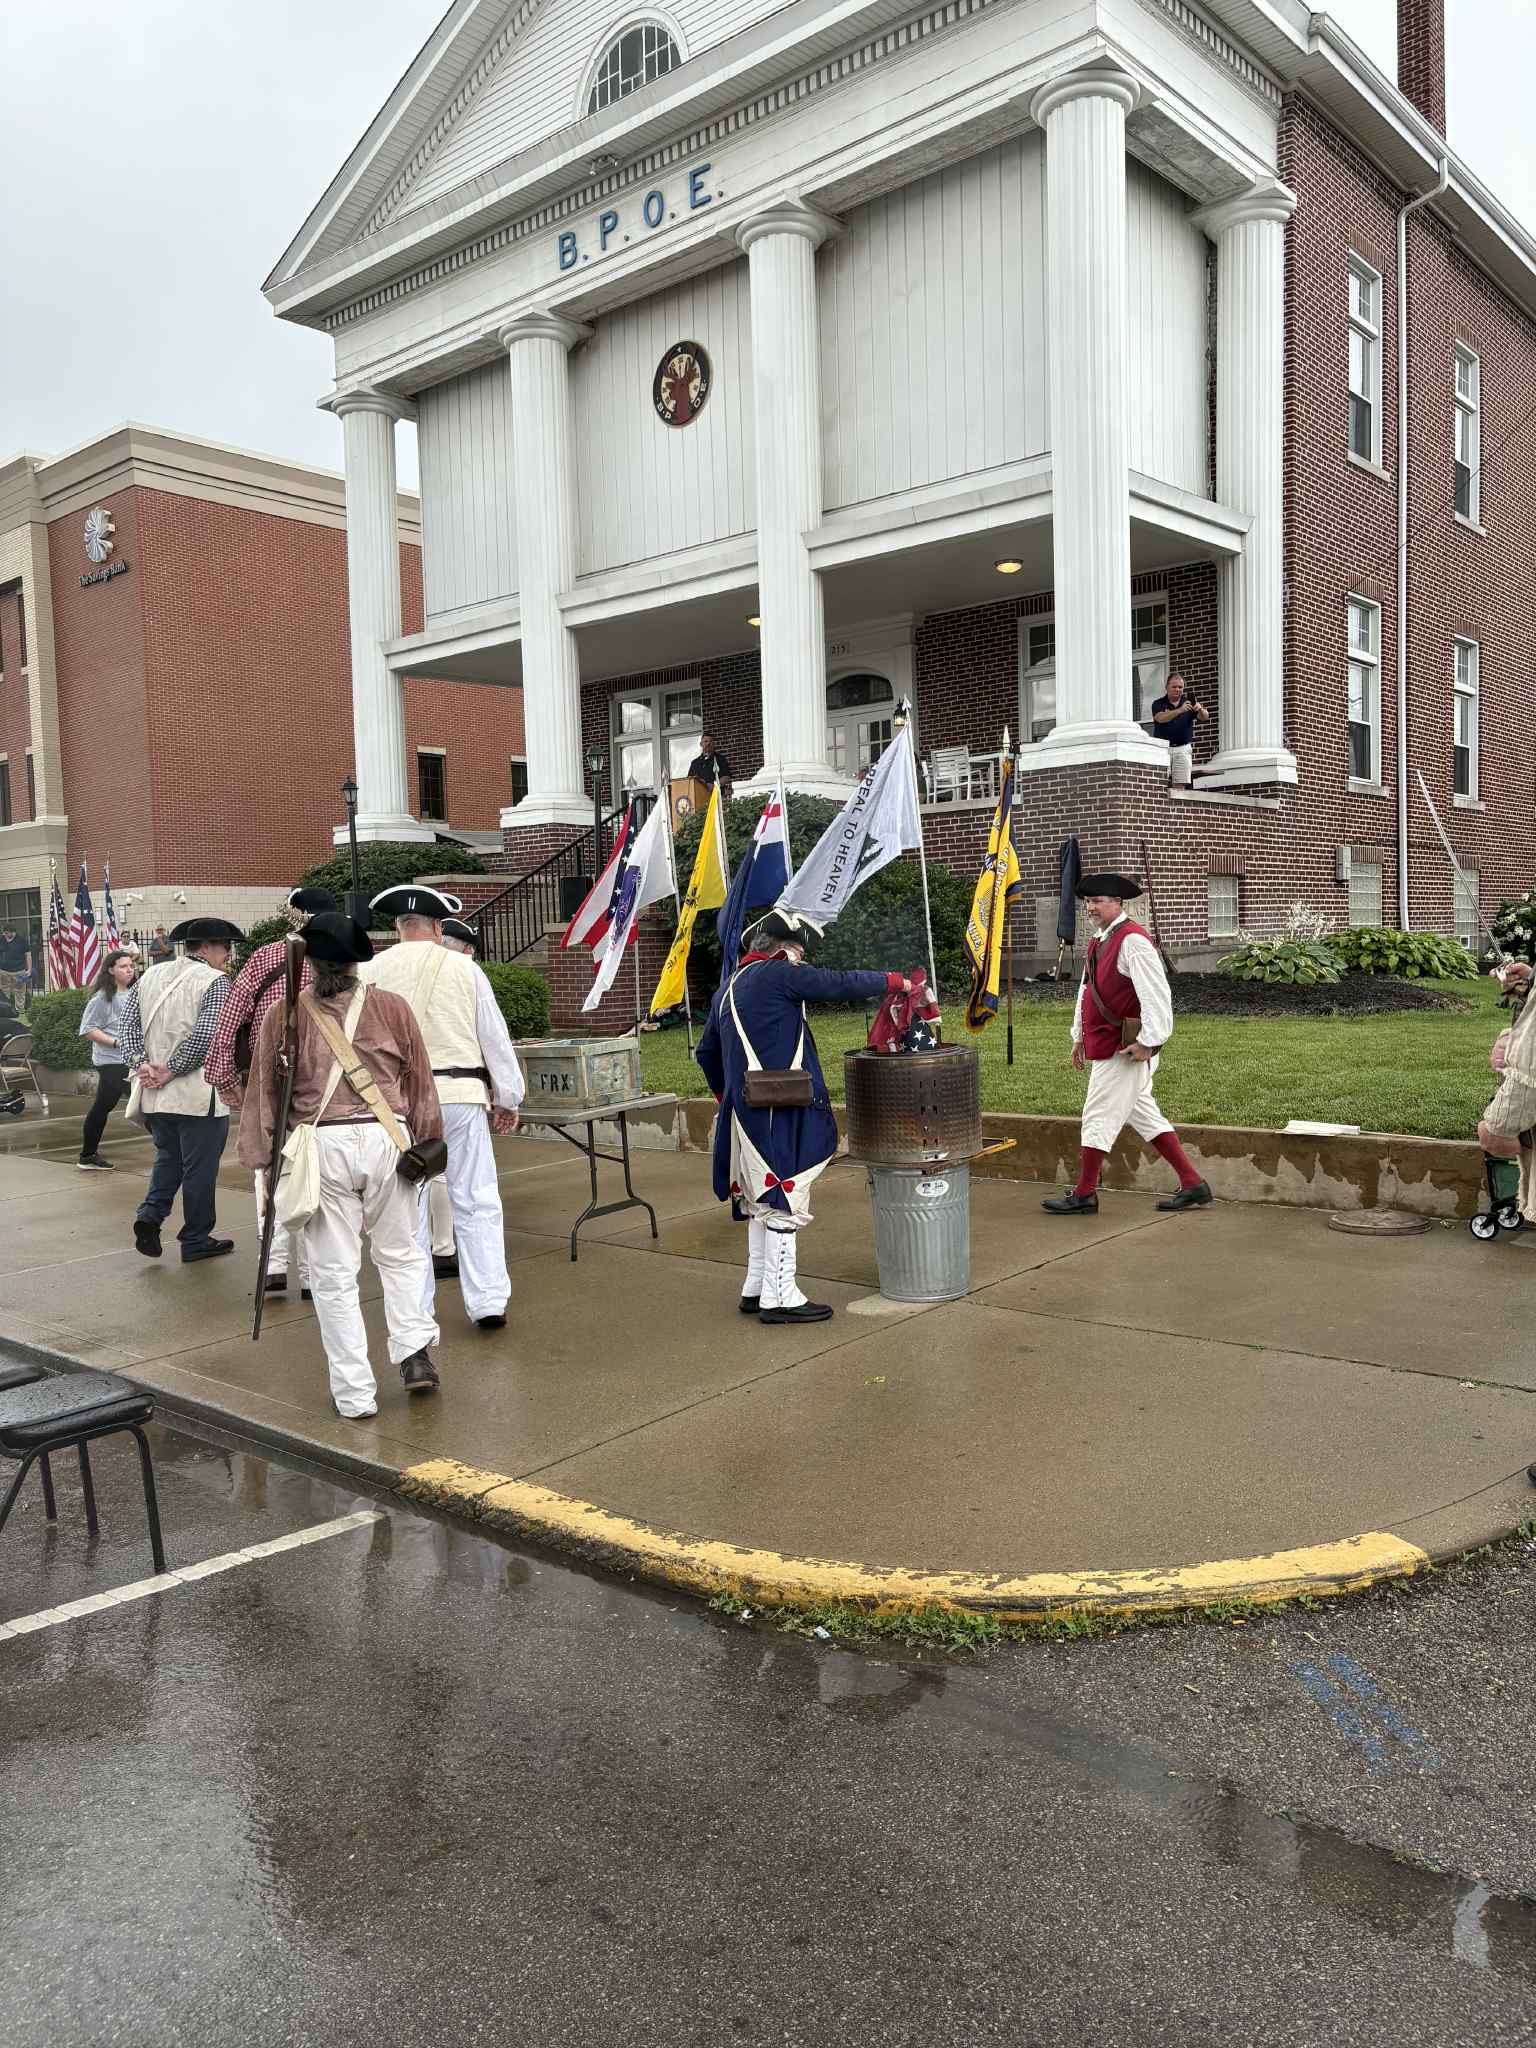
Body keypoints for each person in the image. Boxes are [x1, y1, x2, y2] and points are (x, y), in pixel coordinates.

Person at [239, 912, 444, 1418]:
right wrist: (430, 1142)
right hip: (388, 1137)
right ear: (356, 962)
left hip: (319, 1146)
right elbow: (419, 1084)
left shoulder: (285, 1014)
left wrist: (261, 1159)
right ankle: (415, 1356)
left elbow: (263, 1093)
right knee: (401, 1255)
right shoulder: (392, 1008)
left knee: (333, 1273)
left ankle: (355, 1394)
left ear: (310, 963)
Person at [697, 909, 916, 1323]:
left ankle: (757, 1286)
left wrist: (728, 1095)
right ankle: (781, 1297)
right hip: (779, 1108)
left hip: (744, 1112)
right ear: (783, 950)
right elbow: (838, 983)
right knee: (783, 1195)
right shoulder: (778, 974)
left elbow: (706, 1053)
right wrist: (895, 981)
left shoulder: (728, 987)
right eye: (798, 950)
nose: (801, 959)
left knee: (762, 1198)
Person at [364, 884, 524, 1332]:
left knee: (407, 1205)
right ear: (437, 927)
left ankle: (415, 1311)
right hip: (459, 1095)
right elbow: (493, 1035)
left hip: (397, 1103)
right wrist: (508, 1096)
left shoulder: (370, 970)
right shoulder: (464, 968)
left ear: (398, 927)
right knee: (476, 1198)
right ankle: (488, 1300)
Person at [1042, 874, 1212, 1216]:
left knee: (1097, 1116)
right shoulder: (1099, 939)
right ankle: (1193, 1184)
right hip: (1107, 1042)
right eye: (1088, 902)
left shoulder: (1133, 941)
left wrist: (1149, 1041)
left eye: (1099, 901)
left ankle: (1085, 1193)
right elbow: (1088, 991)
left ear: (1119, 903)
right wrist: (1079, 1034)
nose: (1091, 907)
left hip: (1125, 1049)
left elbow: (1157, 994)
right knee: (1145, 1115)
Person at [205, 884, 338, 1298]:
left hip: (269, 1078)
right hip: (326, 1079)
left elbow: (230, 1018)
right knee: (317, 1172)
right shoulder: (340, 960)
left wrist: (225, 1078)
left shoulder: (266, 956)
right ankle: (311, 1274)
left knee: (269, 1168)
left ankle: (274, 1262)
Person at [118, 916, 242, 1261]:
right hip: (197, 1094)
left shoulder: (150, 974)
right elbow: (207, 1034)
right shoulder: (217, 981)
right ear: (207, 947)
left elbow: (128, 1027)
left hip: (154, 1092)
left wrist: (142, 1064)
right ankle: (196, 1239)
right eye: (225, 947)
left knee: (168, 1159)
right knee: (200, 1170)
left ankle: (150, 1216)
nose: (228, 955)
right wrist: (171, 1070)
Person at [76, 949, 138, 1170]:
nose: (129, 969)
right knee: (144, 1102)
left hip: (130, 1058)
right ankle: (172, 1152)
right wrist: (116, 1042)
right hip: (111, 1061)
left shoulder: (133, 993)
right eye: (123, 966)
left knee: (103, 1105)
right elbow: (88, 1029)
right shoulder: (102, 997)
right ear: (111, 970)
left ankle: (87, 1156)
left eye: (131, 966)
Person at [1149, 674, 1208, 787]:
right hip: (1163, 749)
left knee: (1180, 785)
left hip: (1182, 749)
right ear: (1167, 687)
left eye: (1180, 687)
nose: (1178, 690)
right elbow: (1160, 718)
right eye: (1174, 687)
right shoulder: (1158, 703)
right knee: (1159, 783)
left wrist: (1200, 709)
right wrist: (1180, 710)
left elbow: (1205, 717)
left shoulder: (1189, 703)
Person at [0, 924, 33, 1005]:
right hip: (3, 972)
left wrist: (29, 969)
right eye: (4, 933)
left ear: (13, 933)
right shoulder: (2, 940)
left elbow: (28, 956)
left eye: (6, 933)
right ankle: (6, 1009)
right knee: (4, 992)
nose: (5, 935)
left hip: (19, 972)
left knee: (20, 992)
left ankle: (20, 1010)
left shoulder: (22, 941)